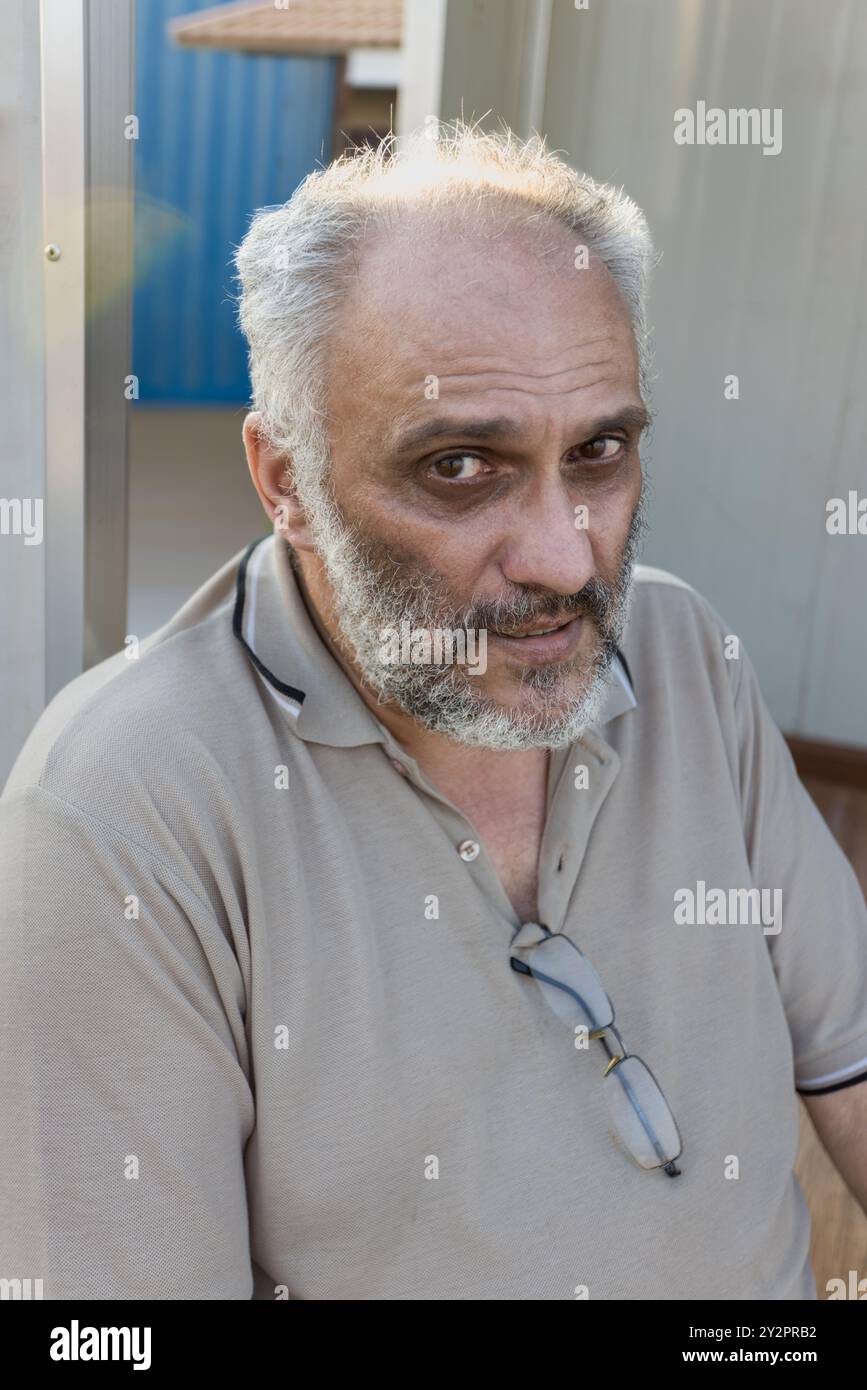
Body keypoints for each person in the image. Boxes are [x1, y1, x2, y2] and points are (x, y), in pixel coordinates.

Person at [1, 122, 865, 1300]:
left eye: (600, 451)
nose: (567, 558)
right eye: (461, 466)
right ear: (287, 481)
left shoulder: (682, 653)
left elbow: (851, 1059)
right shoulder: (122, 811)